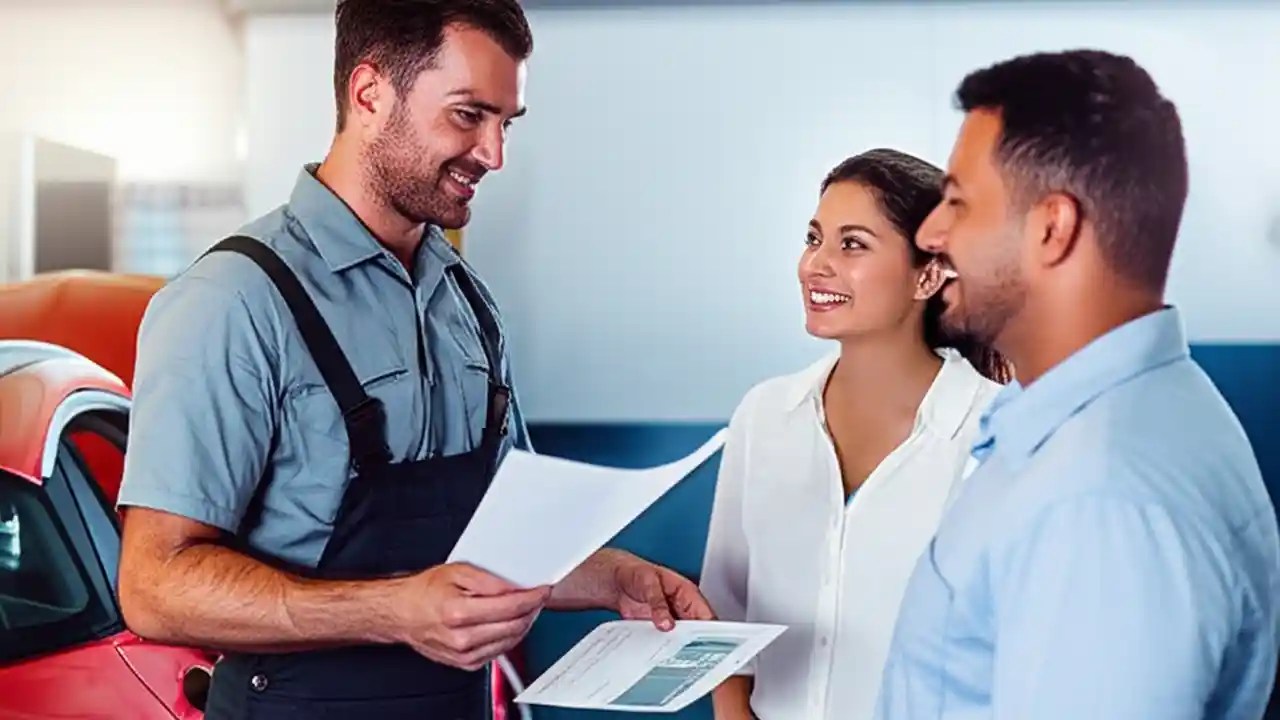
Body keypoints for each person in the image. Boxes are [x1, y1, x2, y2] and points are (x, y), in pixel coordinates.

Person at [114, 2, 712, 718]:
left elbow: (500, 540)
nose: (495, 155)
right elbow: (153, 586)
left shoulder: (468, 305)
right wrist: (394, 609)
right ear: (370, 95)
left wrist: (614, 579)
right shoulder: (233, 301)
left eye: (506, 124)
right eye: (469, 116)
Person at [876, 50, 1280, 719]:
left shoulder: (1100, 501)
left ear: (1053, 228)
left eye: (957, 202)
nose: (929, 231)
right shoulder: (1127, 423)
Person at [700, 148, 1010, 720]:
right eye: (814, 238)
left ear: (928, 274)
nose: (815, 264)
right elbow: (727, 618)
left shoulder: (997, 437)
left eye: (852, 245)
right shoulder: (765, 416)